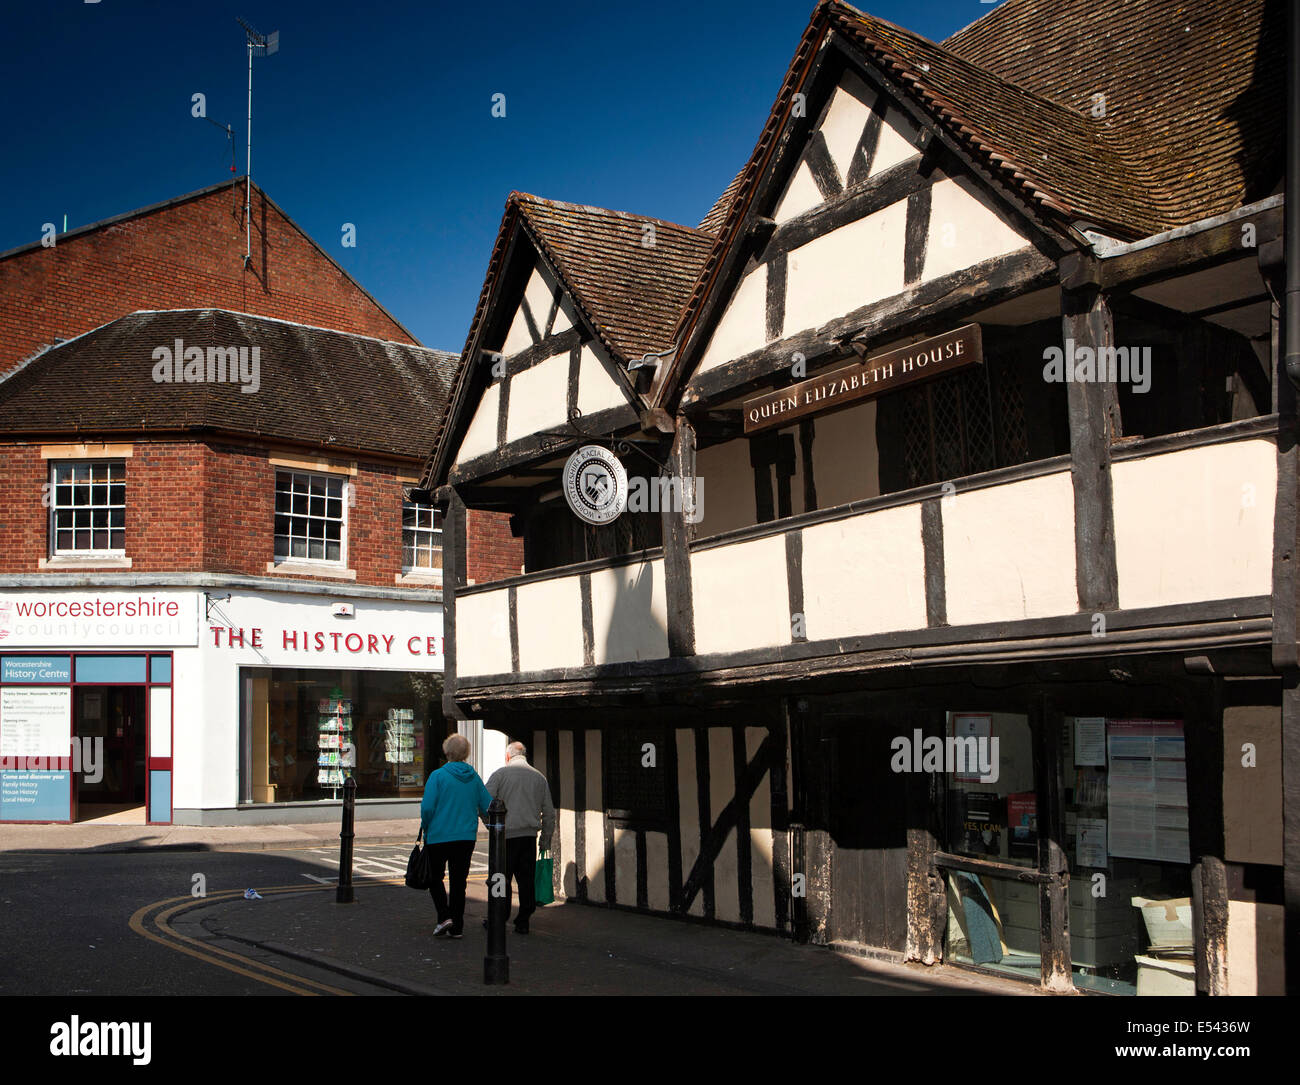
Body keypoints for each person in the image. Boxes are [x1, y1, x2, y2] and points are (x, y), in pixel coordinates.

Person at [420, 733, 492, 938]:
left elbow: (427, 807)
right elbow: (488, 805)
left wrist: (426, 826)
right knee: (459, 882)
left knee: (435, 878)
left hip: (438, 835)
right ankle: (457, 927)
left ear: (447, 752)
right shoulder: (474, 777)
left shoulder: (438, 776)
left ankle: (444, 917)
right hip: (465, 837)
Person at [484, 741, 555, 934]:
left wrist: (491, 826)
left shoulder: (500, 775)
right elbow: (549, 812)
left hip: (505, 837)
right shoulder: (539, 778)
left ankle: (498, 916)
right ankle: (523, 920)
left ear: (508, 757)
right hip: (528, 837)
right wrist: (545, 839)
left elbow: (484, 803)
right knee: (526, 881)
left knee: (500, 879)